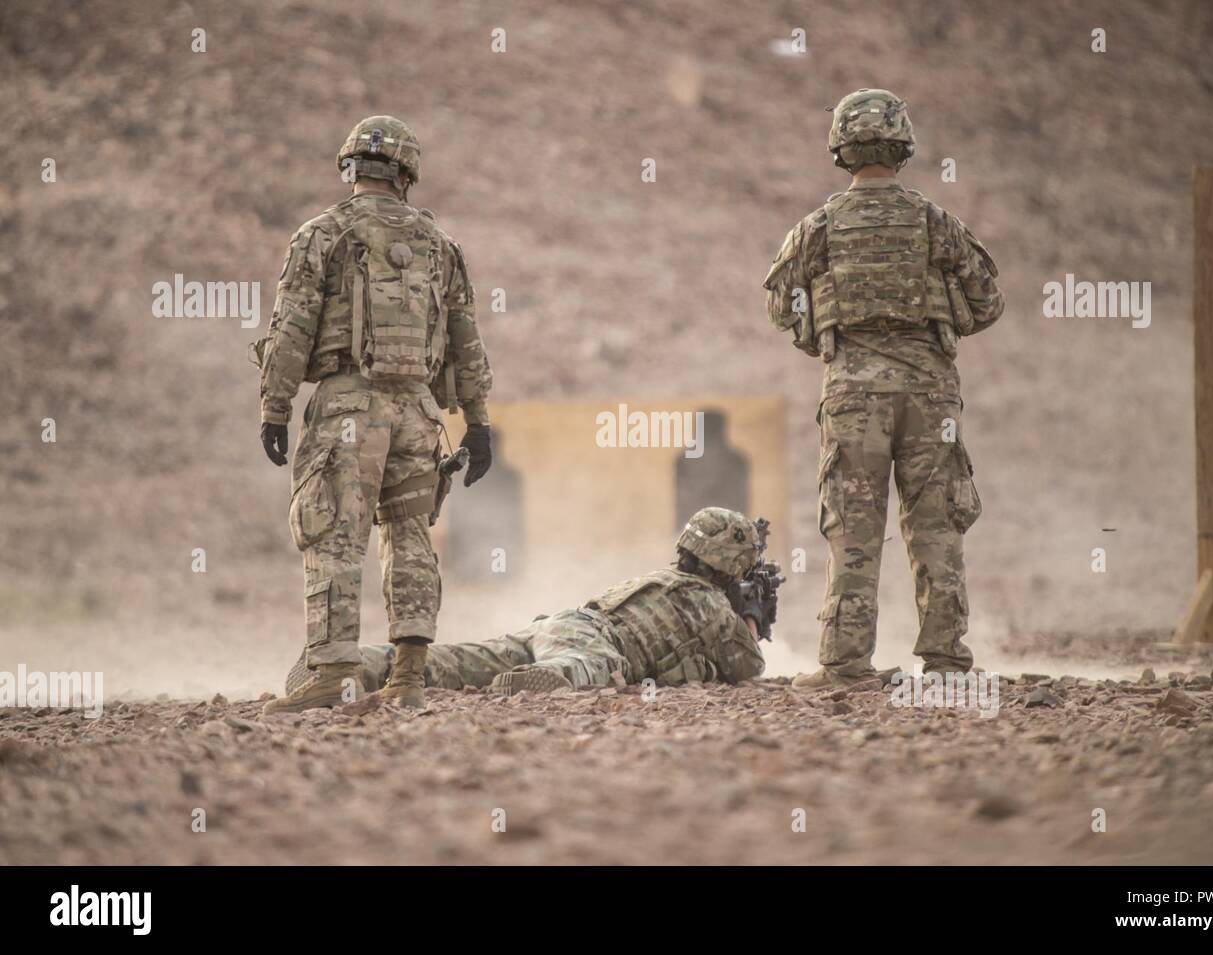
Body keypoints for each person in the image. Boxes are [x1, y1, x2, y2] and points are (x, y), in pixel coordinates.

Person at [763, 90, 1004, 689]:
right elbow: (987, 301)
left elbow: (780, 304)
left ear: (840, 148)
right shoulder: (934, 222)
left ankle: (845, 666)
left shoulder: (818, 227)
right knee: (937, 527)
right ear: (903, 145)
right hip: (930, 395)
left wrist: (825, 337)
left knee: (853, 529)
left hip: (852, 397)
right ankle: (947, 664)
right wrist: (936, 325)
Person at [255, 116, 493, 715]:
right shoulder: (441, 246)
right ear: (407, 175)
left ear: (350, 169)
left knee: (334, 531)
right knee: (410, 535)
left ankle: (334, 671)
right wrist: (481, 423)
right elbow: (467, 340)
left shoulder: (321, 233)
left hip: (348, 407)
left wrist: (275, 407)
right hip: (418, 410)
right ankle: (409, 676)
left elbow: (292, 329)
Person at [283, 507, 769, 698]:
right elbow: (747, 667)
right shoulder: (710, 606)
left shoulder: (664, 578)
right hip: (589, 640)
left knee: (458, 661)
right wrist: (750, 614)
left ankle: (358, 664)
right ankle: (551, 679)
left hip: (560, 622)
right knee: (587, 665)